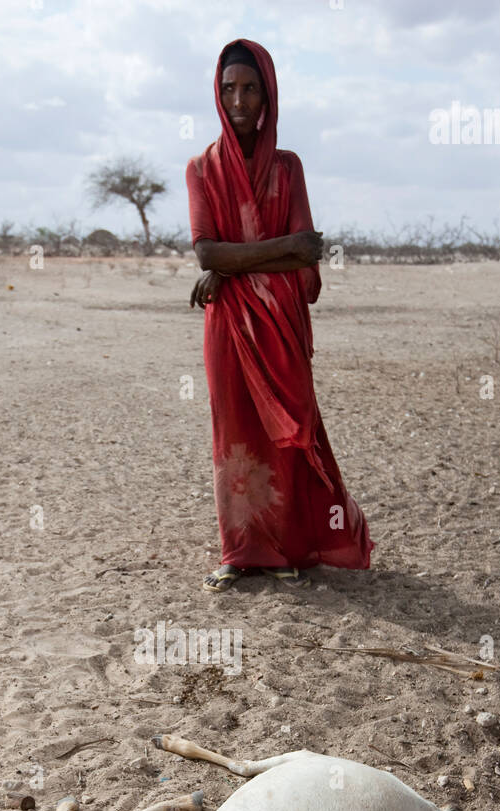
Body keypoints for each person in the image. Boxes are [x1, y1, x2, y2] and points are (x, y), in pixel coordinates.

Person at [186, 38, 374, 592]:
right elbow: (206, 251)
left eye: (249, 89)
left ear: (267, 94)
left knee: (288, 434)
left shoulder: (289, 167)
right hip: (228, 328)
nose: (238, 100)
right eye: (228, 90)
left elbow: (309, 251)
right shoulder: (201, 169)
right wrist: (264, 252)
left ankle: (283, 547)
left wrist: (231, 264)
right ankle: (239, 550)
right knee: (235, 431)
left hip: (280, 324)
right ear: (217, 97)